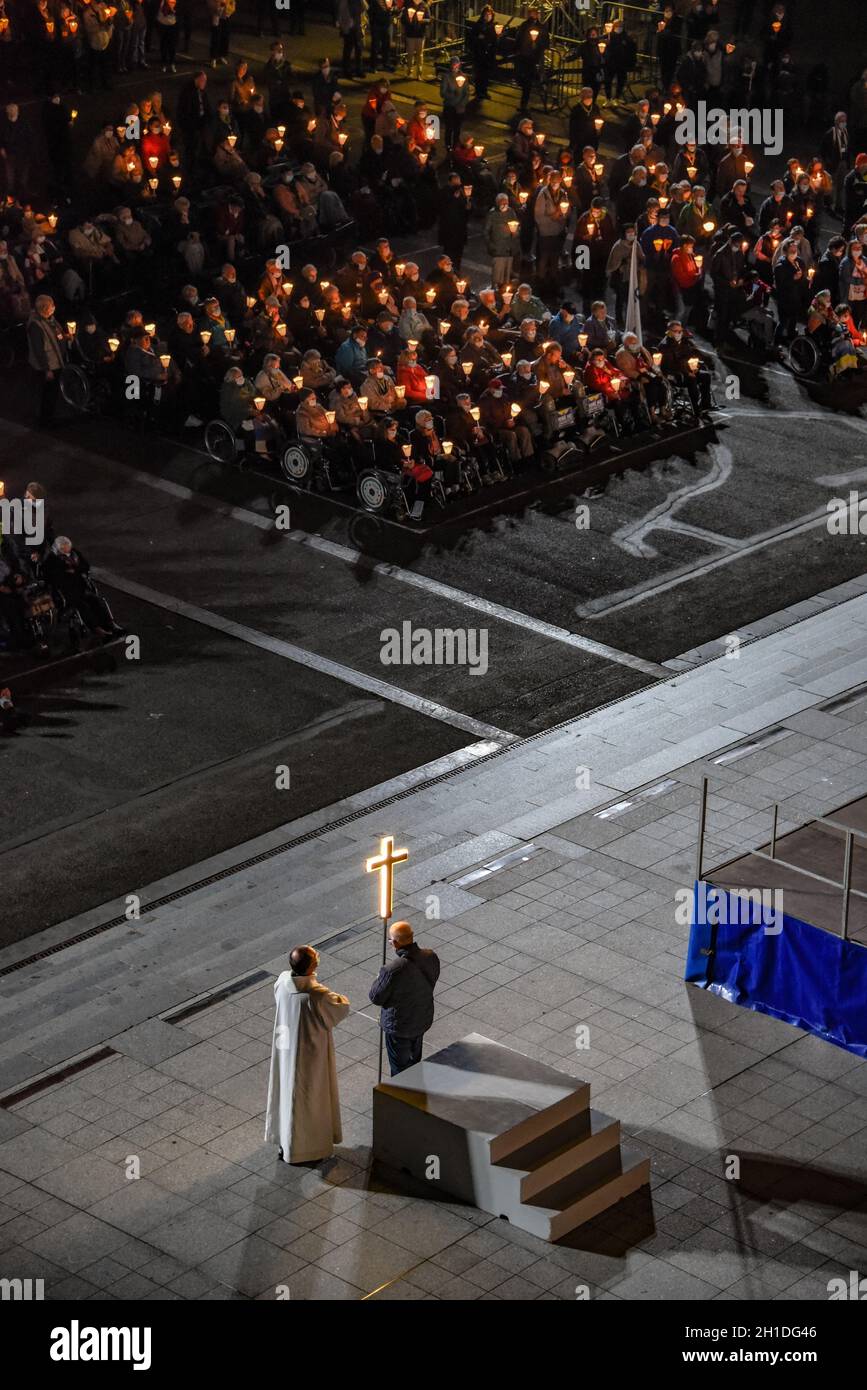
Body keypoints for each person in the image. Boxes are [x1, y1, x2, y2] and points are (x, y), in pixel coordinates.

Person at [265, 944, 350, 1163]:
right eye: (315, 958)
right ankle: (306, 1150)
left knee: (286, 1094)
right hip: (310, 1055)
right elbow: (341, 1007)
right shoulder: (317, 995)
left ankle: (286, 1143)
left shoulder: (283, 983)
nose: (318, 959)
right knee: (309, 1099)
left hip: (286, 1049)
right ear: (311, 966)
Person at [368, 921, 439, 1075]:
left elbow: (375, 997)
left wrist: (379, 978)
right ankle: (416, 1087)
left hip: (399, 1026)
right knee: (415, 1061)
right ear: (411, 937)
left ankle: (403, 1093)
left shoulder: (392, 970)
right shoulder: (430, 956)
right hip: (421, 1019)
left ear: (394, 943)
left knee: (399, 1069)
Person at [26, 293, 66, 426]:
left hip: (55, 361)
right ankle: (46, 420)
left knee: (52, 393)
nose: (54, 308)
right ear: (44, 308)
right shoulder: (36, 326)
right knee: (48, 394)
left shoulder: (50, 320)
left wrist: (66, 337)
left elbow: (57, 335)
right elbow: (39, 350)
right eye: (51, 306)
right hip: (49, 365)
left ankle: (50, 416)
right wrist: (46, 369)